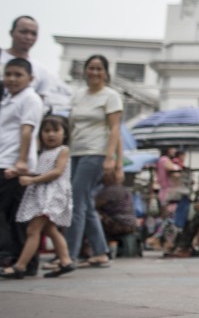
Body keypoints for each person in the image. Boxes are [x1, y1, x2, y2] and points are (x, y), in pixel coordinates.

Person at [65, 55, 123, 268]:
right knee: (86, 204)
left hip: (96, 152)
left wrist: (112, 159)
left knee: (76, 202)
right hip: (75, 152)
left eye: (99, 68)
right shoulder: (77, 95)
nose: (94, 72)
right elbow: (71, 126)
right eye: (91, 68)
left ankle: (68, 255)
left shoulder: (111, 96)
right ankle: (100, 252)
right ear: (85, 71)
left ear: (106, 72)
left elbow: (115, 129)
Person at [2, 115, 74, 279]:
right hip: (42, 195)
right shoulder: (42, 153)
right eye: (47, 131)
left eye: (56, 130)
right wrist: (17, 171)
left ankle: (20, 266)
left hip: (52, 195)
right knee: (49, 229)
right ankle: (65, 260)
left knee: (32, 230)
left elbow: (56, 172)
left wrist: (32, 180)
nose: (51, 135)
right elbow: (38, 170)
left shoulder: (63, 151)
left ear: (65, 133)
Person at [0, 58, 45, 275]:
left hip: (14, 164)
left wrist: (21, 162)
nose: (11, 79)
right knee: (14, 217)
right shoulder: (9, 99)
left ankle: (16, 260)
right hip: (4, 161)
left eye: (18, 74)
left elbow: (27, 130)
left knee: (15, 217)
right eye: (8, 74)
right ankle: (22, 262)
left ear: (30, 78)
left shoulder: (30, 98)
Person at [1, 16, 57, 108]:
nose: (28, 37)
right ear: (11, 33)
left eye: (33, 34)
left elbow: (38, 105)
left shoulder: (41, 70)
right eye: (23, 32)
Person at [95, 169, 137, 256]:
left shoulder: (110, 190)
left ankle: (97, 250)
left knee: (92, 220)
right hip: (130, 222)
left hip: (119, 224)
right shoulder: (122, 188)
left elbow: (95, 204)